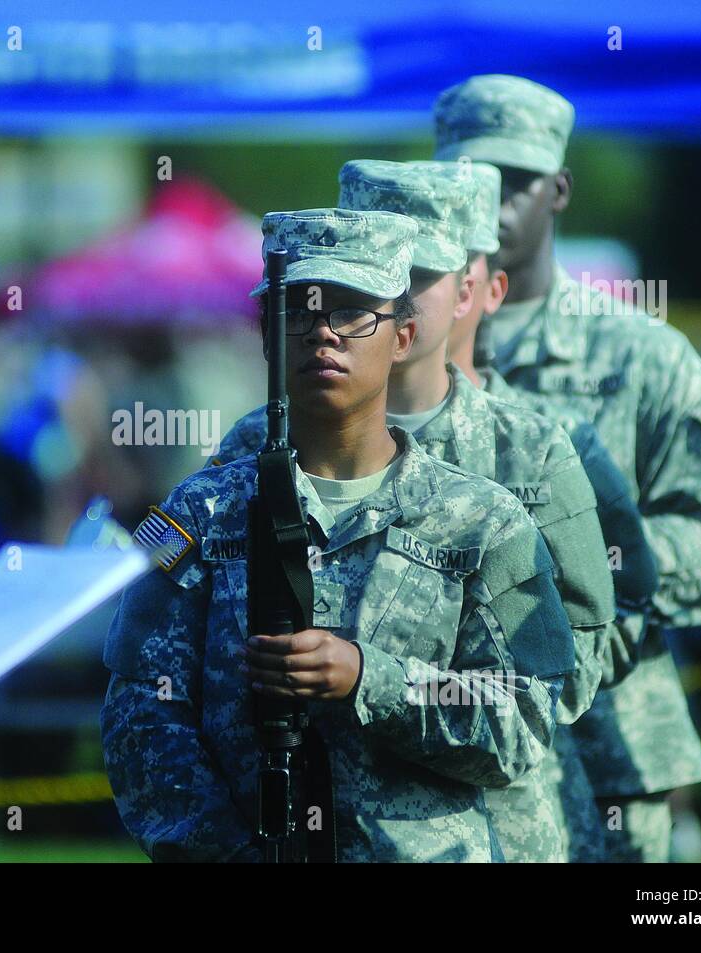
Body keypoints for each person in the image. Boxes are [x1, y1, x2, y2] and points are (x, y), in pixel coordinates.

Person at [102, 208, 575, 862]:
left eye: (353, 312)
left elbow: (524, 716)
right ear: (268, 336)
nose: (323, 332)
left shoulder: (484, 521)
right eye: (298, 311)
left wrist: (368, 679)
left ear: (404, 334)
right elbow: (141, 715)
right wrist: (225, 852)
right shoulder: (201, 512)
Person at [211, 161, 615, 862]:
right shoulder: (251, 450)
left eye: (421, 275)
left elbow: (566, 662)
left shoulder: (526, 451)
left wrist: (386, 680)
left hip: (480, 820)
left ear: (470, 289)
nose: (326, 328)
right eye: (307, 306)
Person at [434, 73, 701, 861]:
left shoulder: (641, 355)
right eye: (470, 178)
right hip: (435, 755)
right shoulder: (390, 350)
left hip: (604, 751)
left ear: (560, 190)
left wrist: (603, 561)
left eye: (516, 179)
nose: (493, 200)